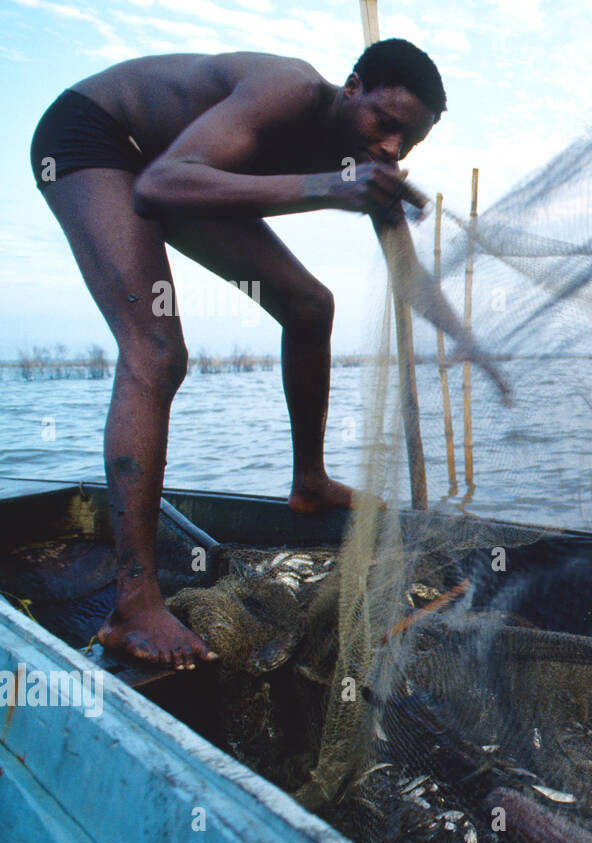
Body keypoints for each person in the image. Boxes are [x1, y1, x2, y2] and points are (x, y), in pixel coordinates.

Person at [29, 40, 506, 670]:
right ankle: (134, 603)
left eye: (408, 140)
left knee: (310, 305)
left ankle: (309, 482)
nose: (392, 148)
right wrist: (333, 186)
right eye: (384, 124)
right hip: (100, 141)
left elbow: (408, 276)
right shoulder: (287, 90)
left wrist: (474, 344)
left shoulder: (369, 164)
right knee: (157, 352)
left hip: (176, 177)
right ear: (352, 87)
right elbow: (161, 183)